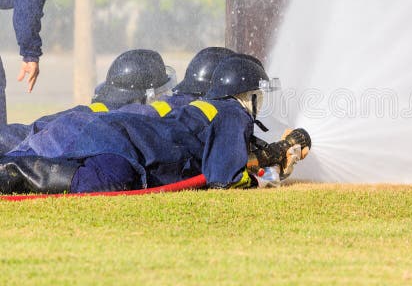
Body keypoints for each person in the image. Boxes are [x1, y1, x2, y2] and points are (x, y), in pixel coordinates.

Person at [0, 55, 309, 194]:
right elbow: (224, 179)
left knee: (28, 152)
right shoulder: (232, 112)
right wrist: (267, 178)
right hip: (120, 150)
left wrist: (272, 158)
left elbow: (221, 158)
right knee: (111, 180)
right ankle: (11, 172)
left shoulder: (208, 112)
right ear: (249, 96)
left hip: (102, 134)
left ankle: (12, 168)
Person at [0, 49, 174, 154]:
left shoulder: (101, 109)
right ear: (145, 95)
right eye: (161, 92)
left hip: (42, 131)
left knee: (27, 133)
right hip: (42, 141)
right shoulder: (135, 115)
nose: (164, 96)